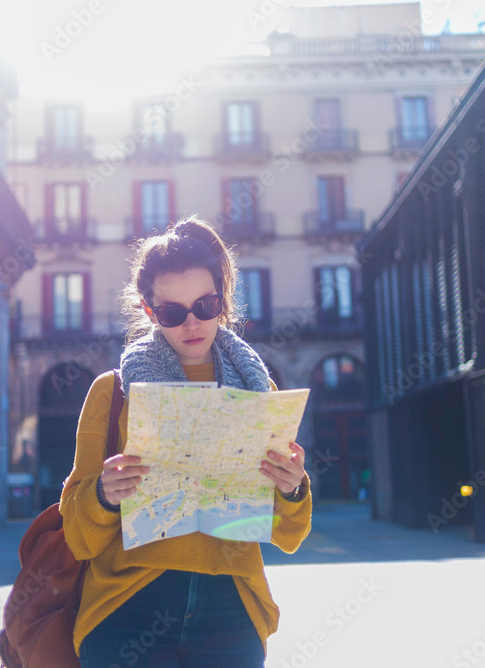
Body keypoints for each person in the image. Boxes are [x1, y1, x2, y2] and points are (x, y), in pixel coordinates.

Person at [60, 217, 313, 668]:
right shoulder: (113, 392)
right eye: (173, 312)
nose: (191, 322)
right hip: (126, 609)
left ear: (222, 299)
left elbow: (289, 534)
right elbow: (77, 533)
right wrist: (104, 494)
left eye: (205, 304)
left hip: (231, 610)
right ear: (150, 310)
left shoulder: (260, 391)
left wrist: (293, 487)